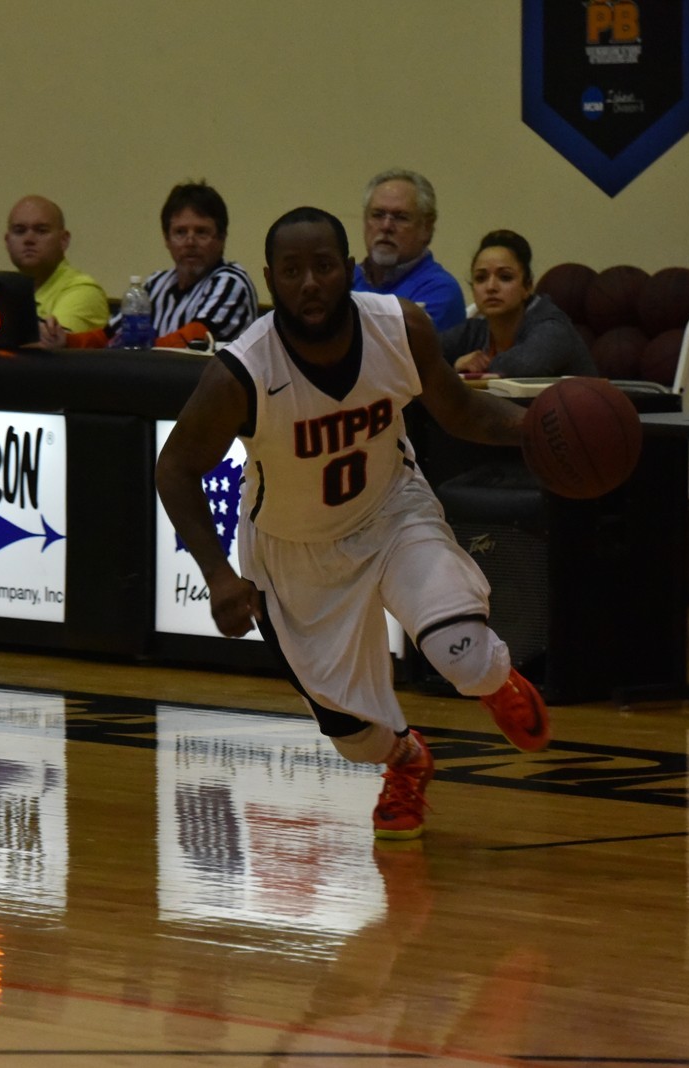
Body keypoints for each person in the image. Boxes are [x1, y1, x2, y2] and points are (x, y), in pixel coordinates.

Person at [155, 206, 551, 841]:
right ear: (269, 279)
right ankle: (406, 760)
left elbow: (457, 410)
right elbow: (175, 469)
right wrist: (218, 574)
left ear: (349, 270)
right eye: (291, 270)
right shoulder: (243, 369)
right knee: (355, 741)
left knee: (465, 657)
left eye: (322, 266)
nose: (308, 282)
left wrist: (531, 430)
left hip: (393, 511)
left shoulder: (402, 327)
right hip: (292, 550)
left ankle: (496, 680)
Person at [40, 181, 259, 350]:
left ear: (221, 238)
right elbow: (108, 336)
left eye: (201, 232)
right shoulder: (157, 283)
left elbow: (195, 339)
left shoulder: (231, 282)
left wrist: (135, 353)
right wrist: (66, 340)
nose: (190, 242)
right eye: (180, 232)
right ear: (167, 239)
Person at [440, 230, 597, 378]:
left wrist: (469, 369)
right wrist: (455, 365)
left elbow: (525, 366)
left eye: (505, 277)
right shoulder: (473, 331)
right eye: (481, 278)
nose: (491, 287)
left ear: (527, 287)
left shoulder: (553, 326)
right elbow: (420, 358)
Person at [352, 169, 466, 332]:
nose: (386, 226)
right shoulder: (345, 279)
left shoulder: (439, 291)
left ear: (426, 228)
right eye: (377, 215)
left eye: (400, 217)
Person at [4, 195, 108, 332]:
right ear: (7, 241)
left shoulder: (84, 291)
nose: (28, 239)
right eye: (20, 231)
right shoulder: (4, 292)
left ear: (63, 240)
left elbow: (52, 345)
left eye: (41, 230)